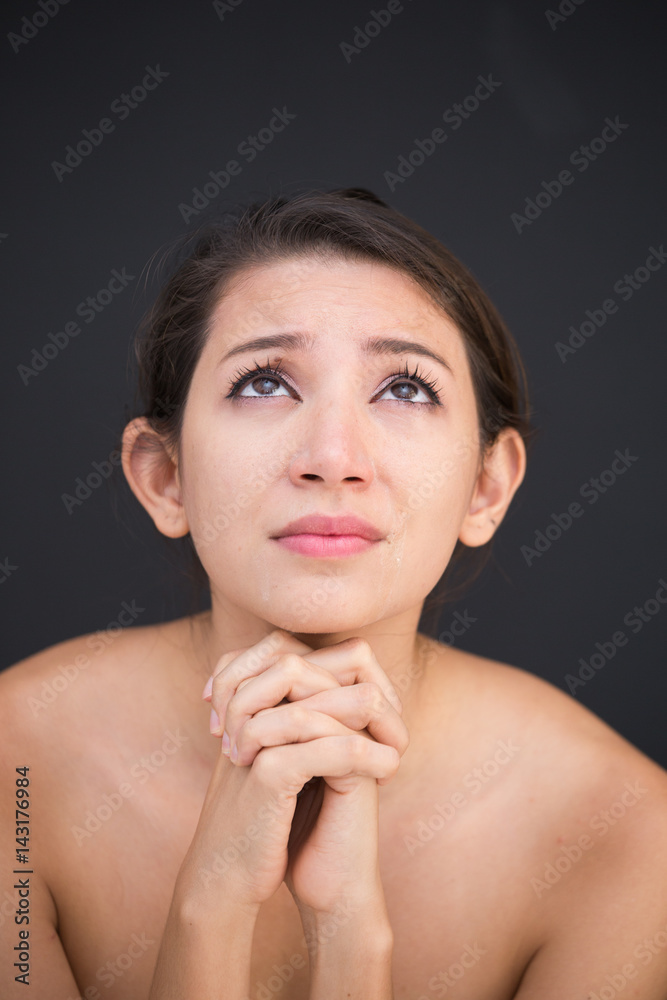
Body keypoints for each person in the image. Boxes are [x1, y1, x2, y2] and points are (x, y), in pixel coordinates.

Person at [2, 188, 666, 1000]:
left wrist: (352, 936)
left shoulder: (629, 836)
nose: (332, 456)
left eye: (404, 389)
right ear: (164, 475)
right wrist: (209, 909)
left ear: (486, 487)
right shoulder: (16, 773)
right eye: (265, 382)